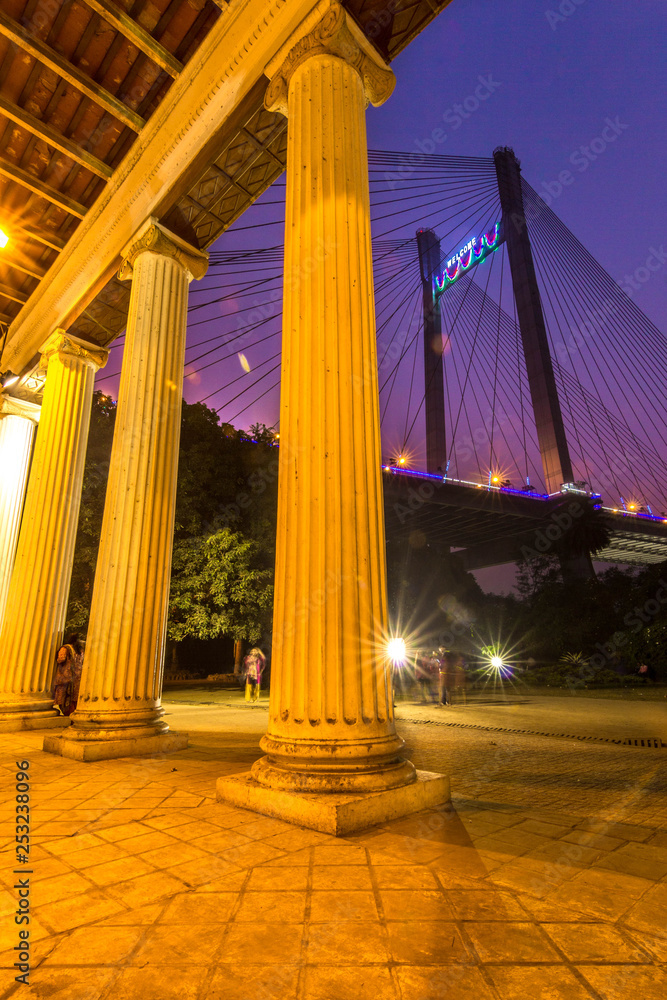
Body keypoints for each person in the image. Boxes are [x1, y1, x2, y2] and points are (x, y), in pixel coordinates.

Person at [53, 634, 84, 716]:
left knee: (64, 697)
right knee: (74, 698)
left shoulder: (66, 648)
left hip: (66, 677)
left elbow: (61, 659)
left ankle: (68, 714)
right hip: (78, 676)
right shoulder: (80, 650)